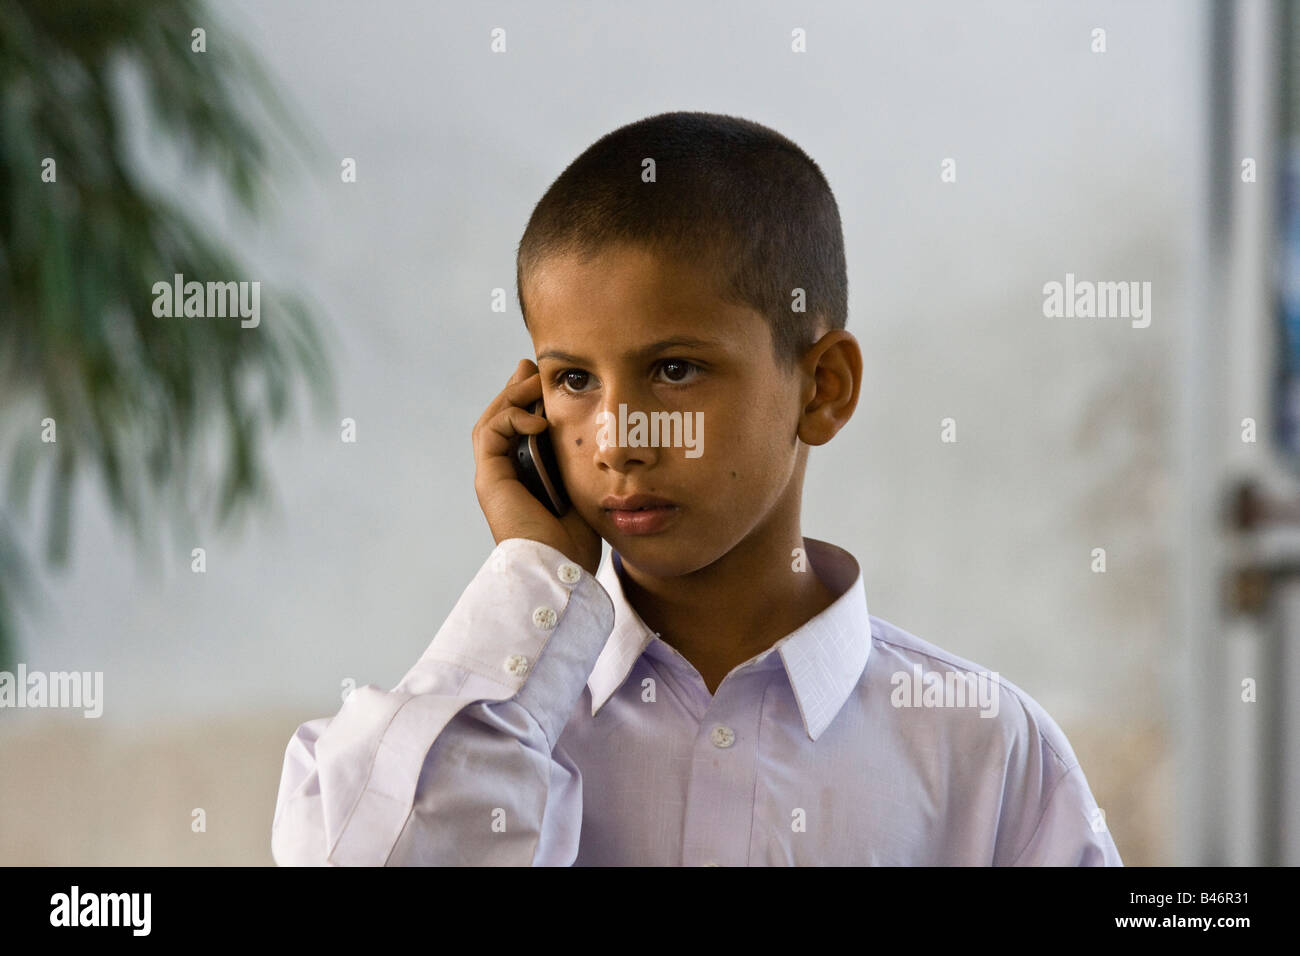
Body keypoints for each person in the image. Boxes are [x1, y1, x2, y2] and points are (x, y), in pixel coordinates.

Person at [271, 110, 1123, 866]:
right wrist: (533, 572)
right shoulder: (487, 728)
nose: (618, 441)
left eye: (675, 370)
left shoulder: (985, 750)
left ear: (823, 387)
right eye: (574, 381)